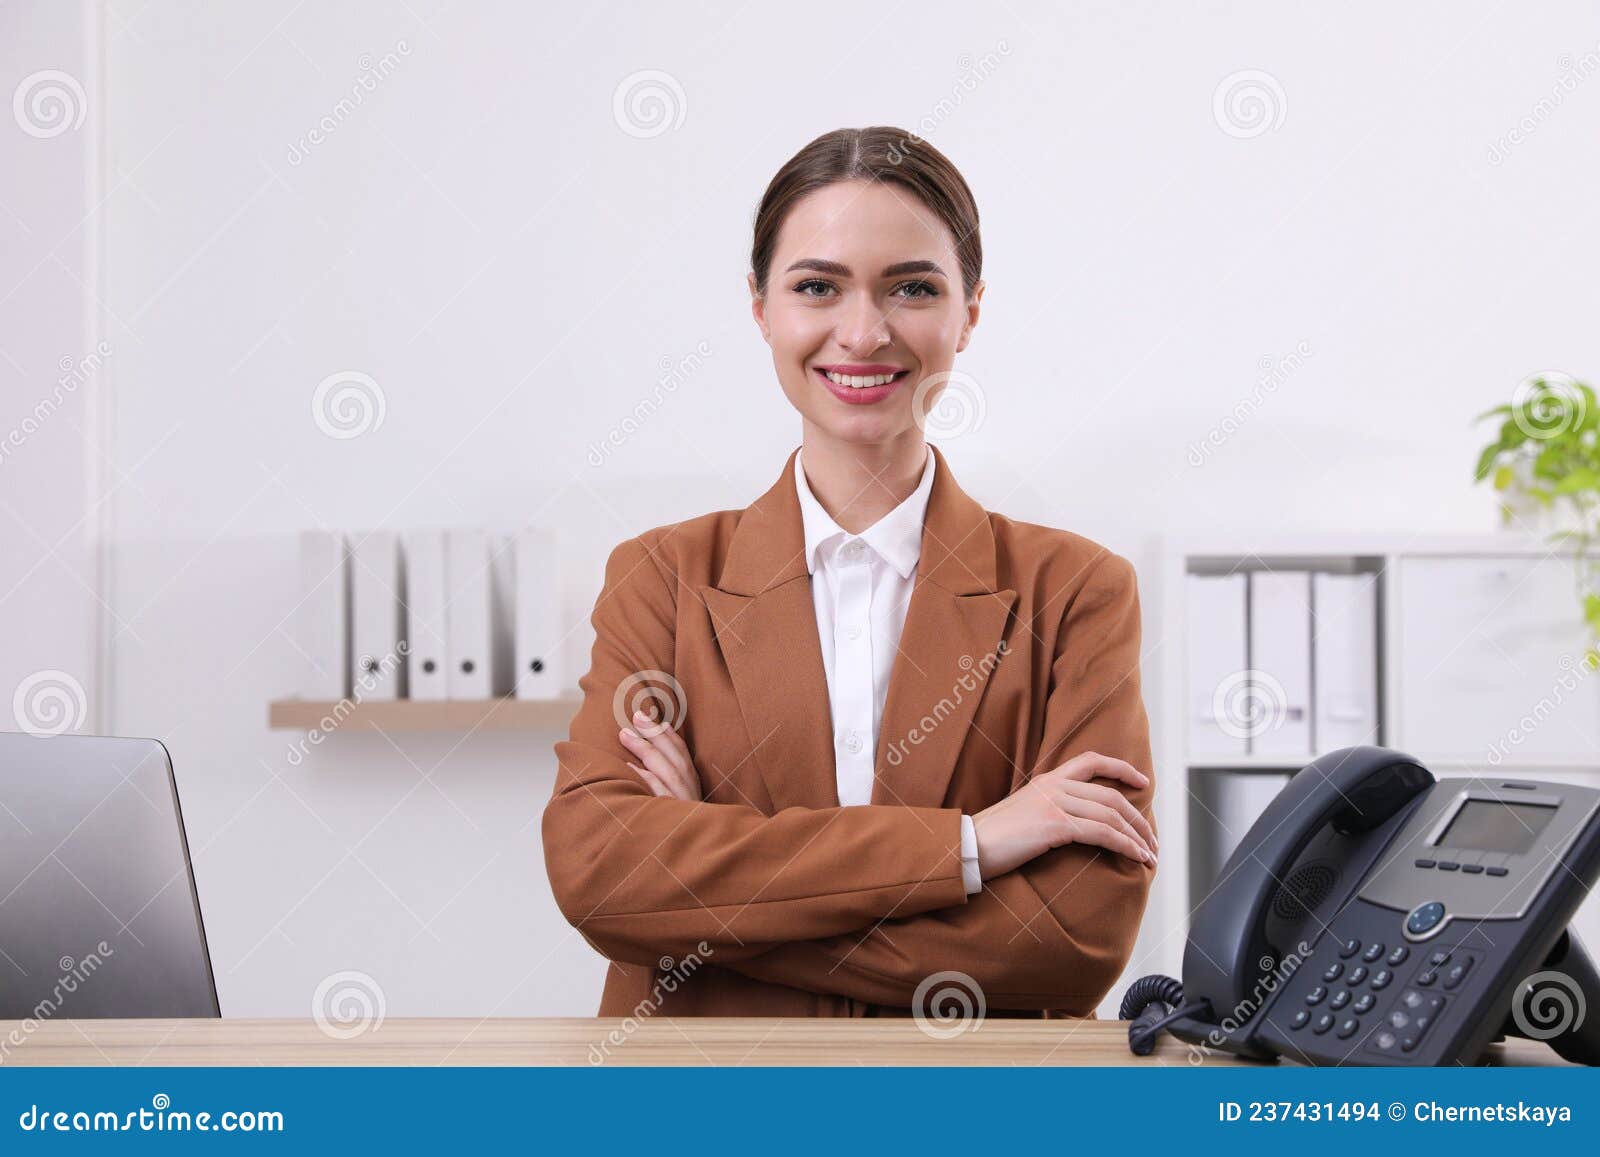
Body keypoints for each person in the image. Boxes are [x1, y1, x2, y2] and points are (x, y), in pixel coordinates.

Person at [543, 125, 1158, 1019]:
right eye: (816, 287)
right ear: (761, 307)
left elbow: (1070, 943)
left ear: (969, 312)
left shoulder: (1076, 591)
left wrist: (704, 913)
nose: (863, 333)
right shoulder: (660, 578)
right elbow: (602, 873)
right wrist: (975, 845)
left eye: (912, 287)